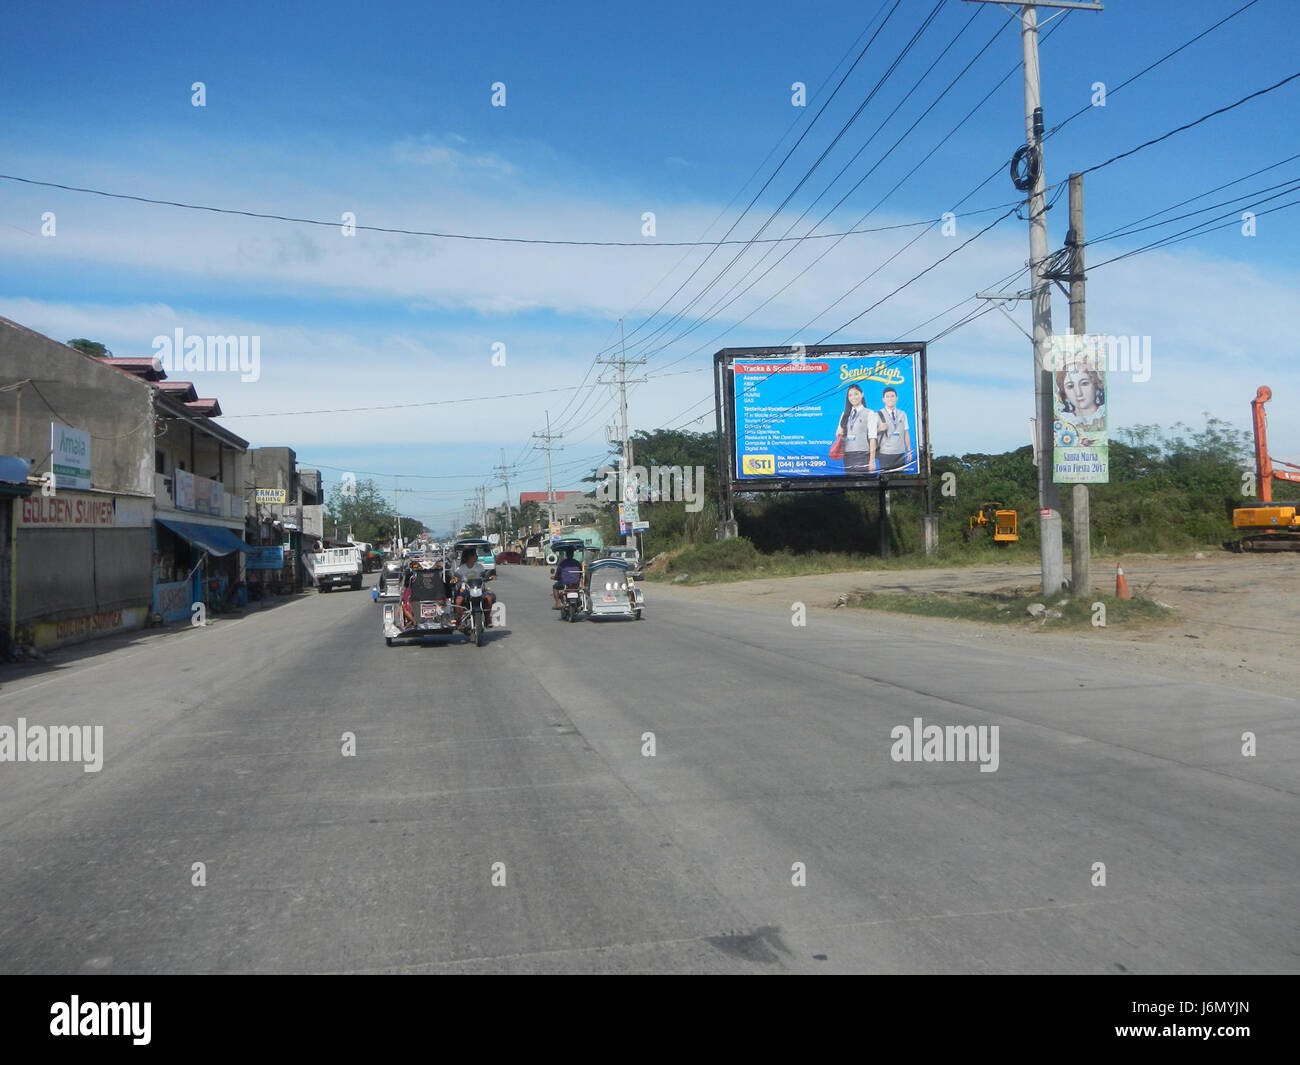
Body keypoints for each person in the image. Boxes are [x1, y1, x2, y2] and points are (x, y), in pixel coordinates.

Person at [834, 383, 880, 476]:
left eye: (856, 394)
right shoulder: (845, 413)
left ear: (862, 395)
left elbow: (872, 438)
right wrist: (841, 431)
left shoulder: (870, 413)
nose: (853, 397)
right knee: (850, 484)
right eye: (850, 395)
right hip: (847, 455)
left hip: (862, 454)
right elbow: (838, 433)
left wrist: (872, 461)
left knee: (864, 484)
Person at [450, 547, 496, 626]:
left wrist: (491, 576)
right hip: (465, 589)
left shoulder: (480, 567)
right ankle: (461, 619)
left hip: (479, 589)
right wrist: (454, 579)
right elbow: (456, 577)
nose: (476, 556)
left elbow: (485, 574)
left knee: (489, 598)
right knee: (458, 601)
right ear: (468, 557)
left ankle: (487, 618)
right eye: (474, 555)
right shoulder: (460, 568)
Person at [875, 386, 913, 473]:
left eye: (892, 396)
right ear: (883, 399)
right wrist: (879, 429)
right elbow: (871, 434)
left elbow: (906, 433)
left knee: (899, 478)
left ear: (896, 398)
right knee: (884, 479)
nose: (890, 399)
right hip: (885, 454)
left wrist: (909, 451)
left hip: (900, 454)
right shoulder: (877, 414)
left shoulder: (902, 414)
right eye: (887, 396)